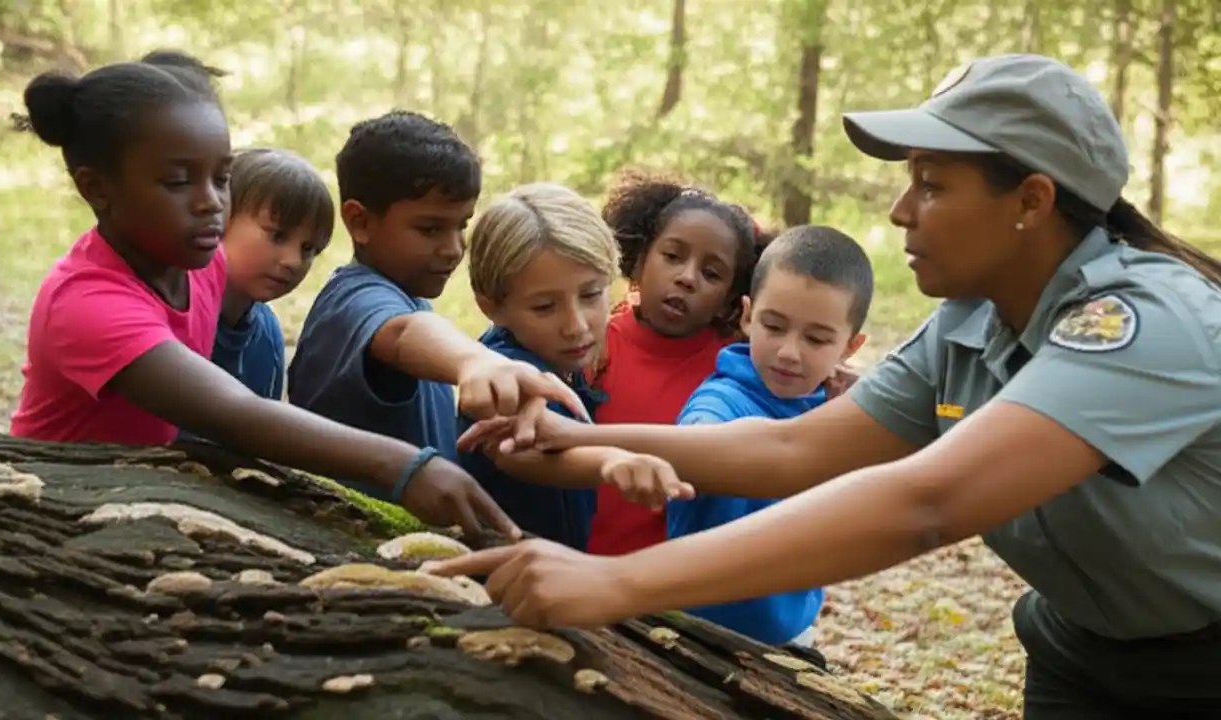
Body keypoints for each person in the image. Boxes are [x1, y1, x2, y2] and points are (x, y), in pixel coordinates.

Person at [430, 53, 1221, 718]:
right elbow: (794, 445)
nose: (900, 210)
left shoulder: (1144, 325)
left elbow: (927, 503)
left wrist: (617, 582)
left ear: (1032, 201)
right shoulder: (970, 325)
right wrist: (585, 437)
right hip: (1078, 651)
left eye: (932, 184)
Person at [8, 51, 517, 539]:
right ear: (96, 188)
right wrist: (404, 466)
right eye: (179, 181)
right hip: (55, 505)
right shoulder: (88, 303)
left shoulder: (199, 264)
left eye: (222, 176)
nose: (211, 203)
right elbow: (235, 412)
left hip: (136, 495)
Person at [286, 111, 589, 500]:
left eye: (461, 226)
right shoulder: (354, 299)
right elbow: (402, 333)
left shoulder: (408, 298)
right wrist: (475, 362)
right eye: (430, 229)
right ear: (359, 222)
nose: (452, 249)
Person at [667, 225, 872, 648]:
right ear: (746, 316)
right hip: (699, 638)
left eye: (816, 338)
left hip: (795, 637)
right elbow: (701, 436)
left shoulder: (837, 413)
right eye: (774, 326)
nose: (789, 352)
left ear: (850, 346)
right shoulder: (722, 399)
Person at [459, 182, 690, 548]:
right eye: (544, 307)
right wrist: (608, 462)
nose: (577, 326)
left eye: (590, 295)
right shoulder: (507, 370)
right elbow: (519, 454)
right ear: (491, 306)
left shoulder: (569, 363)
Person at [581, 169, 760, 557]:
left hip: (672, 585)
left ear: (732, 299)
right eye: (673, 256)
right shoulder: (594, 345)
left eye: (711, 274)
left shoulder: (736, 364)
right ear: (640, 259)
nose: (687, 278)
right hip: (578, 561)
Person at [209, 147, 333, 400]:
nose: (293, 261)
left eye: (308, 249)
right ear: (221, 217)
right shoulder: (170, 317)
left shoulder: (267, 335)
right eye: (278, 235)